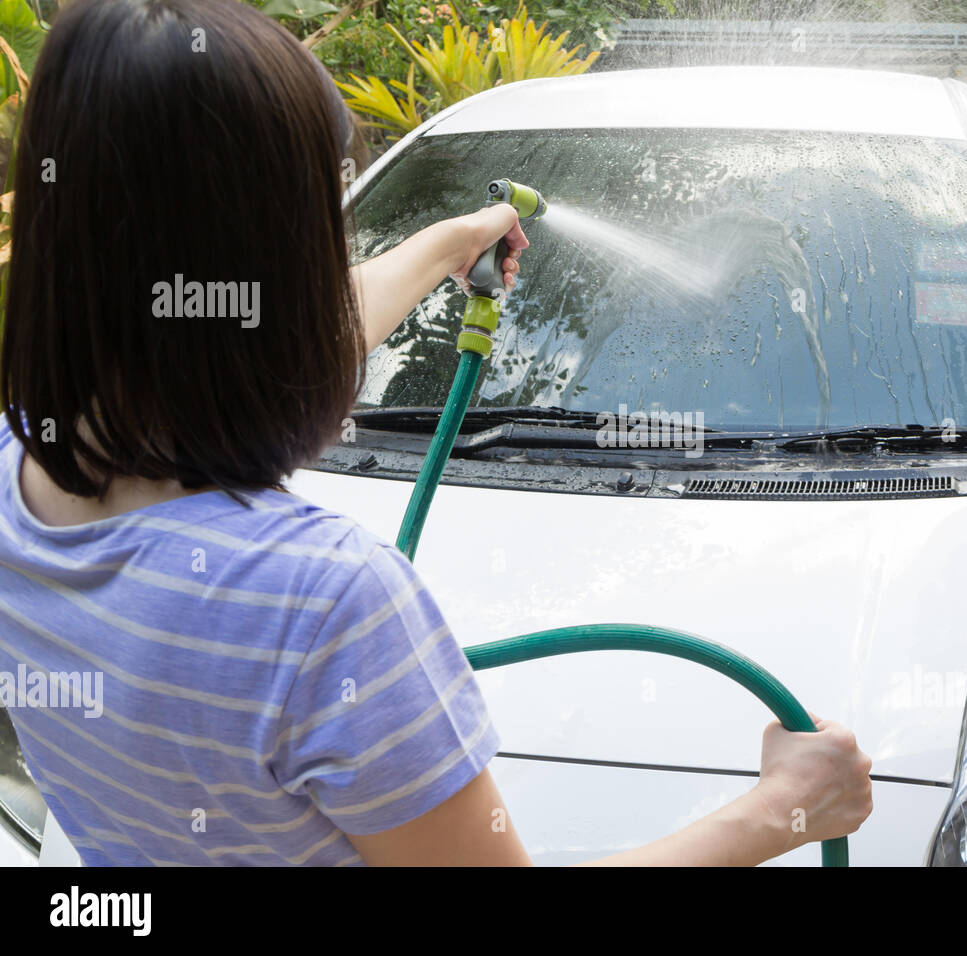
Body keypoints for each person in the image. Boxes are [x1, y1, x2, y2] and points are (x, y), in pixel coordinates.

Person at [0, 0, 872, 866]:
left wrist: (441, 246)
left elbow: (249, 334)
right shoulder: (326, 604)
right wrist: (786, 810)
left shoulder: (16, 479)